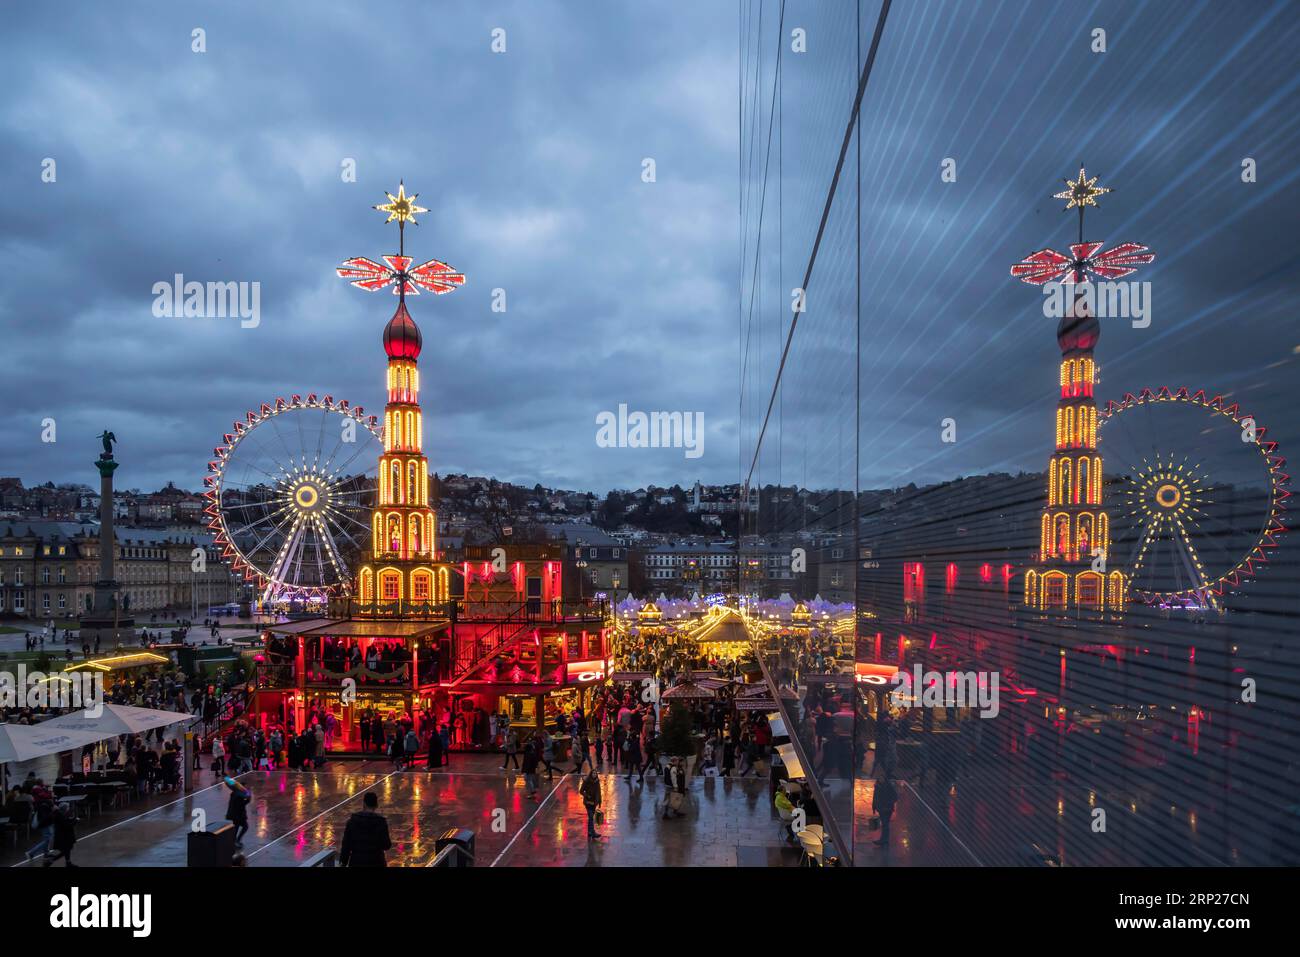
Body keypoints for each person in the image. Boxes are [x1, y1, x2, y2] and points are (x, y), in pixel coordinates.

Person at [340, 791, 392, 867]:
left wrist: (343, 863)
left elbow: (346, 846)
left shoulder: (352, 821)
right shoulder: (381, 822)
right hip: (376, 862)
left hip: (357, 862)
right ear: (376, 805)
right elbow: (386, 845)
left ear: (364, 804)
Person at [43, 802, 78, 867]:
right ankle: (51, 860)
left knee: (67, 850)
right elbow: (67, 825)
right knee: (66, 850)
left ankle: (67, 863)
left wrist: (73, 819)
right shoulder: (60, 815)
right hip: (63, 837)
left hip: (63, 836)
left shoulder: (61, 815)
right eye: (67, 807)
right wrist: (75, 821)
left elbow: (67, 821)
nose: (68, 808)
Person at [224, 775, 251, 846]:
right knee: (245, 826)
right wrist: (248, 799)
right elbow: (242, 804)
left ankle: (234, 841)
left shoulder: (234, 794)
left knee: (236, 827)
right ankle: (237, 840)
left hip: (234, 815)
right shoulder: (239, 796)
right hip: (239, 815)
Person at [872, 775, 898, 847]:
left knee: (885, 824)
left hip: (886, 809)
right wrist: (874, 806)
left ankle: (884, 840)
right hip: (881, 808)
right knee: (885, 824)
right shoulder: (878, 786)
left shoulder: (888, 786)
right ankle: (884, 840)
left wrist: (887, 803)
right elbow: (875, 797)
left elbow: (895, 797)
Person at [579, 767, 602, 840]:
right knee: (591, 817)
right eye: (593, 773)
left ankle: (589, 832)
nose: (594, 774)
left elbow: (599, 792)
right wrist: (587, 795)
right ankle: (593, 833)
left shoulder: (597, 781)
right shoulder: (586, 781)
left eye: (595, 773)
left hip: (594, 803)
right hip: (588, 802)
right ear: (591, 774)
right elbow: (581, 791)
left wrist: (600, 801)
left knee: (590, 818)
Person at [520, 737, 541, 802]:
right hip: (532, 769)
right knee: (530, 780)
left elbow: (526, 763)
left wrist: (524, 770)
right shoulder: (533, 754)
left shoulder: (527, 755)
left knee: (528, 781)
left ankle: (532, 792)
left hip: (528, 770)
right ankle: (533, 791)